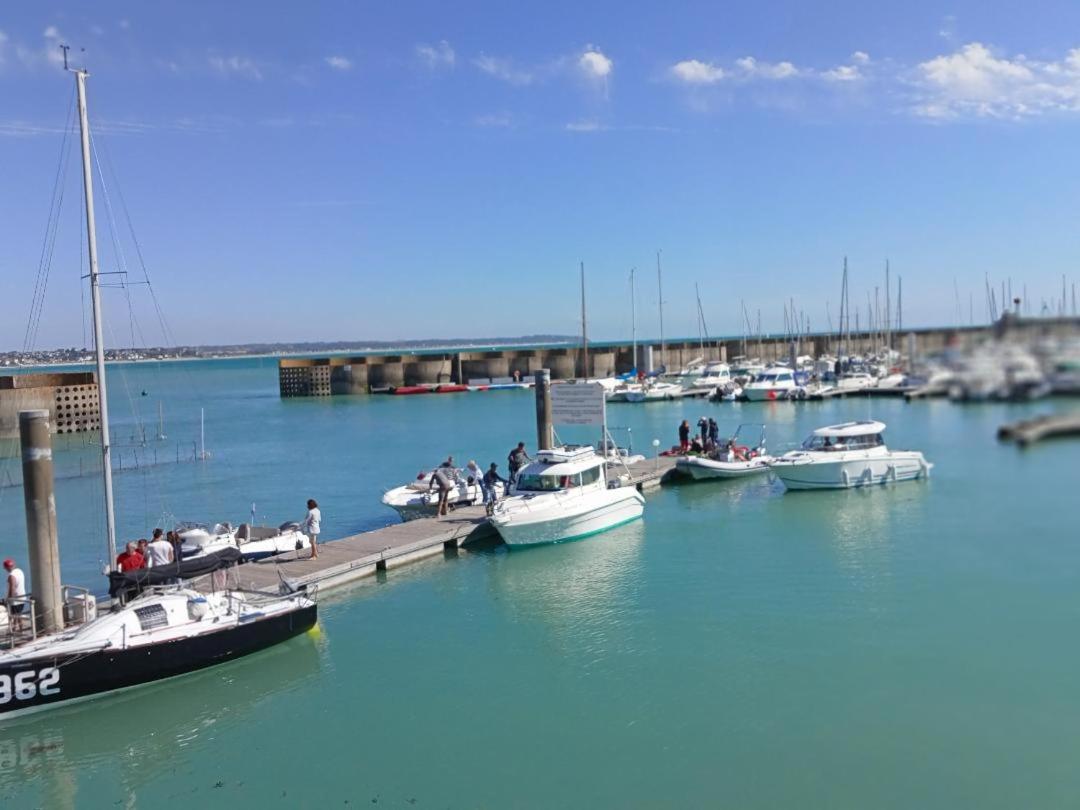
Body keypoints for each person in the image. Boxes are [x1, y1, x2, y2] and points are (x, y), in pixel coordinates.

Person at [4, 558, 26, 632]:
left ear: (6, 567)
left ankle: (16, 631)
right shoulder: (19, 571)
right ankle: (18, 630)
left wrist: (9, 599)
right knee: (18, 614)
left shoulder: (11, 576)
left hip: (15, 599)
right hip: (22, 597)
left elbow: (12, 588)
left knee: (14, 616)